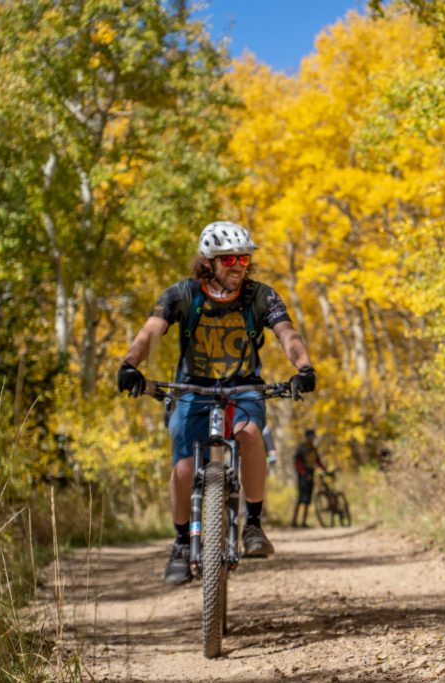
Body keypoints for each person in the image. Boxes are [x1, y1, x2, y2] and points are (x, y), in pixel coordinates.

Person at [117, 221, 316, 585]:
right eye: (229, 260)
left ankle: (253, 524)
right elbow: (150, 332)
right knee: (182, 467)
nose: (238, 266)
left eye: (244, 258)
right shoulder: (182, 294)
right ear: (209, 262)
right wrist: (130, 364)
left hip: (243, 388)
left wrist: (303, 367)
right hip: (192, 389)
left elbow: (288, 333)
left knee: (251, 434)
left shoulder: (261, 296)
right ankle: (180, 544)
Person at [292, 428, 327, 527]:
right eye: (310, 437)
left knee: (308, 500)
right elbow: (297, 462)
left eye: (312, 437)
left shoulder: (313, 449)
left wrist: (325, 470)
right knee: (300, 499)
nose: (311, 439)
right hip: (303, 476)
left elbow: (318, 461)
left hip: (310, 473)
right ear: (306, 437)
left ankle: (303, 522)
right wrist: (303, 474)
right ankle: (294, 521)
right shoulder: (301, 448)